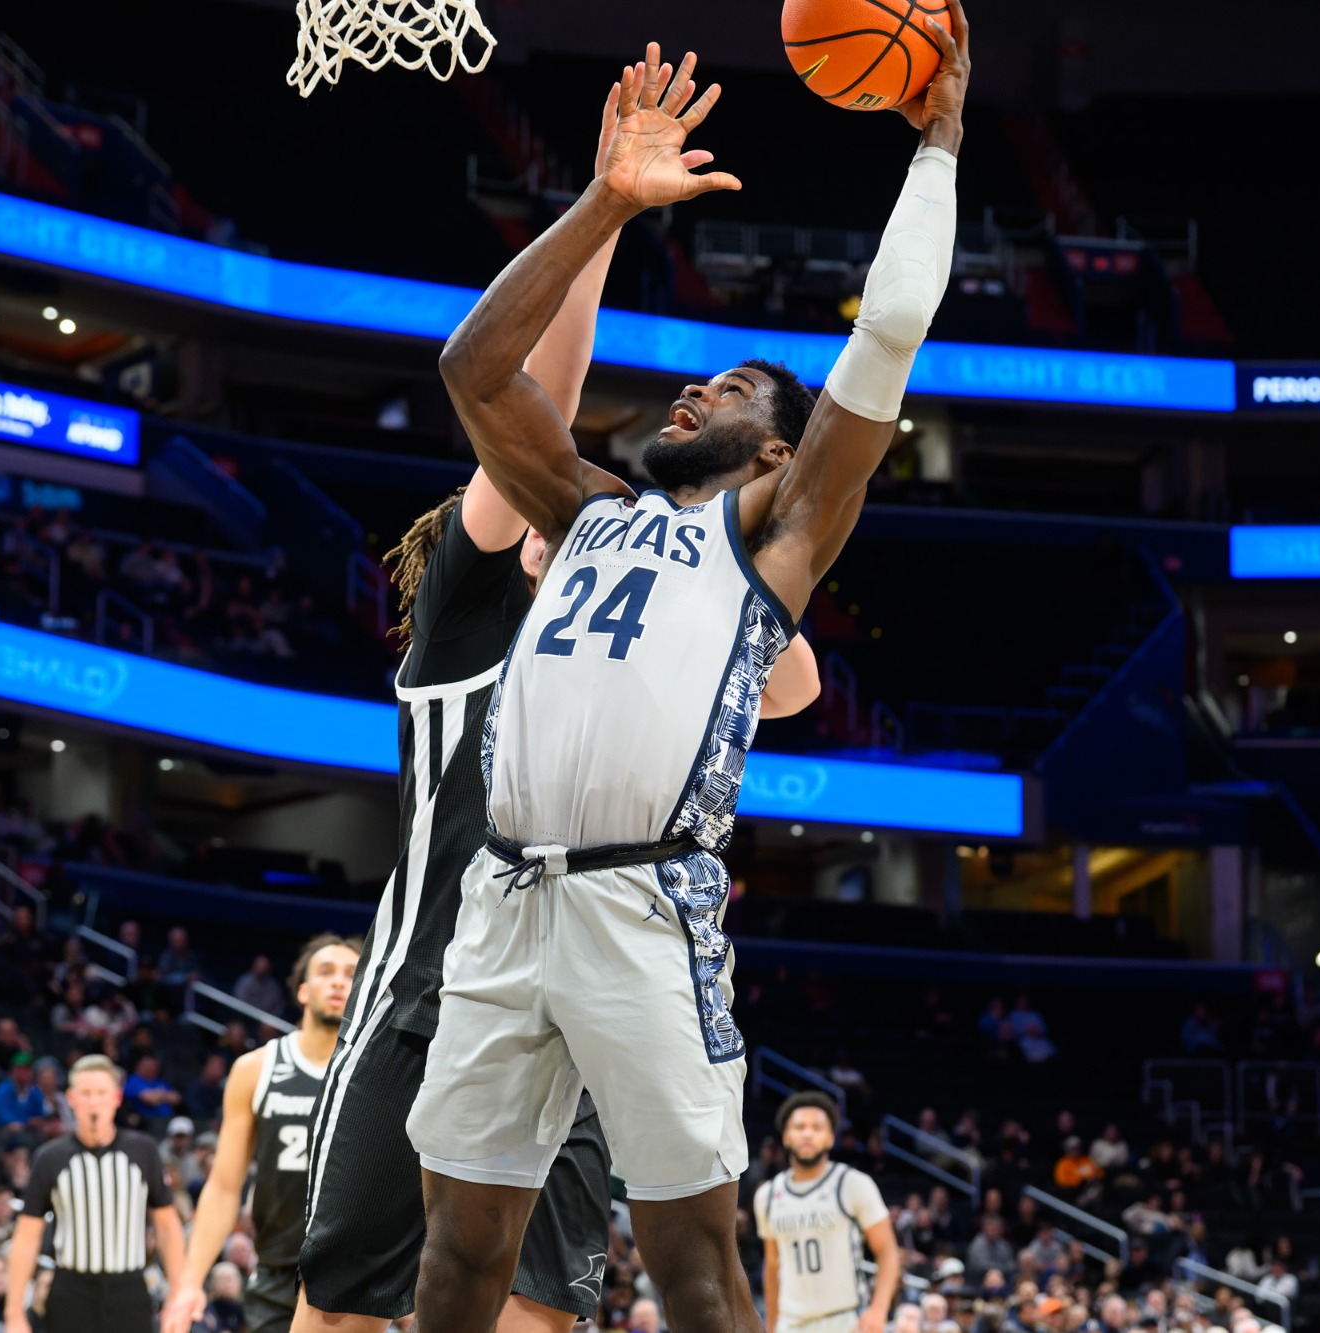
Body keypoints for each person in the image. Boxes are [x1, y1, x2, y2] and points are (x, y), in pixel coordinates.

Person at [405, 18, 967, 1333]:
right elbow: (470, 369)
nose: (687, 398)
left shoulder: (775, 533)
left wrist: (938, 137)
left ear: (773, 454)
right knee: (453, 1264)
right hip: (503, 892)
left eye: (721, 394)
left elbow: (887, 329)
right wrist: (600, 200)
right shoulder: (585, 504)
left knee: (696, 1277)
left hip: (642, 904)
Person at [292, 80, 822, 1333]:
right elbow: (527, 396)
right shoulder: (475, 605)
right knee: (346, 1302)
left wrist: (717, 538)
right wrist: (605, 216)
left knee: (537, 1304)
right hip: (434, 972)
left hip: (597, 967)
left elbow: (789, 684)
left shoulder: (647, 614)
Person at [162, 936, 358, 1333]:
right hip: (275, 1271)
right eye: (326, 972)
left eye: (351, 975)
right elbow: (223, 1186)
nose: (338, 982)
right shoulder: (257, 1068)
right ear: (302, 990)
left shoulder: (377, 1072)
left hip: (354, 1278)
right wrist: (189, 1282)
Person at [7, 1055, 184, 1332]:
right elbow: (27, 1236)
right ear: (72, 1098)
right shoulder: (50, 1157)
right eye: (86, 1094)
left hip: (128, 1288)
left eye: (101, 1093)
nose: (93, 1102)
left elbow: (168, 1227)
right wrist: (13, 1311)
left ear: (116, 1097)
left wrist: (178, 1293)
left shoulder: (143, 1151)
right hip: (71, 1288)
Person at [756, 1093, 900, 1333]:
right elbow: (772, 1267)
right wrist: (771, 1325)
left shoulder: (852, 1184)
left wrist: (878, 1310)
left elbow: (888, 1252)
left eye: (817, 1127)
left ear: (831, 1138)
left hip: (845, 1320)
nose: (808, 1133)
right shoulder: (767, 1196)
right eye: (800, 1127)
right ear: (786, 1137)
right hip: (791, 1324)